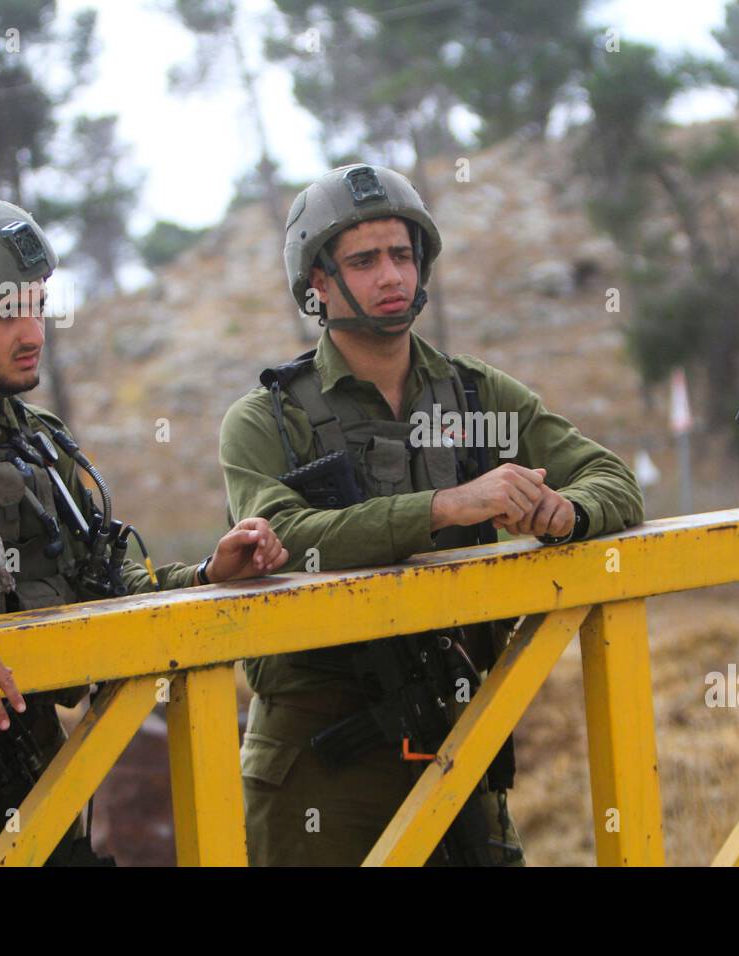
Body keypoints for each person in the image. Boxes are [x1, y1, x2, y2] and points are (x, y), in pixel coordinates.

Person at [0, 198, 287, 866]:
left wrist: (207, 575)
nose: (33, 330)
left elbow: (106, 583)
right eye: (7, 312)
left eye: (37, 306)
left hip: (48, 781)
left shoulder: (40, 447)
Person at [218, 163, 644, 866]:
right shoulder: (270, 420)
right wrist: (447, 506)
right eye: (364, 261)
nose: (392, 276)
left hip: (455, 730)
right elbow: (285, 538)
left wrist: (565, 512)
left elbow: (614, 479)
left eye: (403, 255)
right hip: (319, 760)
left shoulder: (475, 397)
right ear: (318, 285)